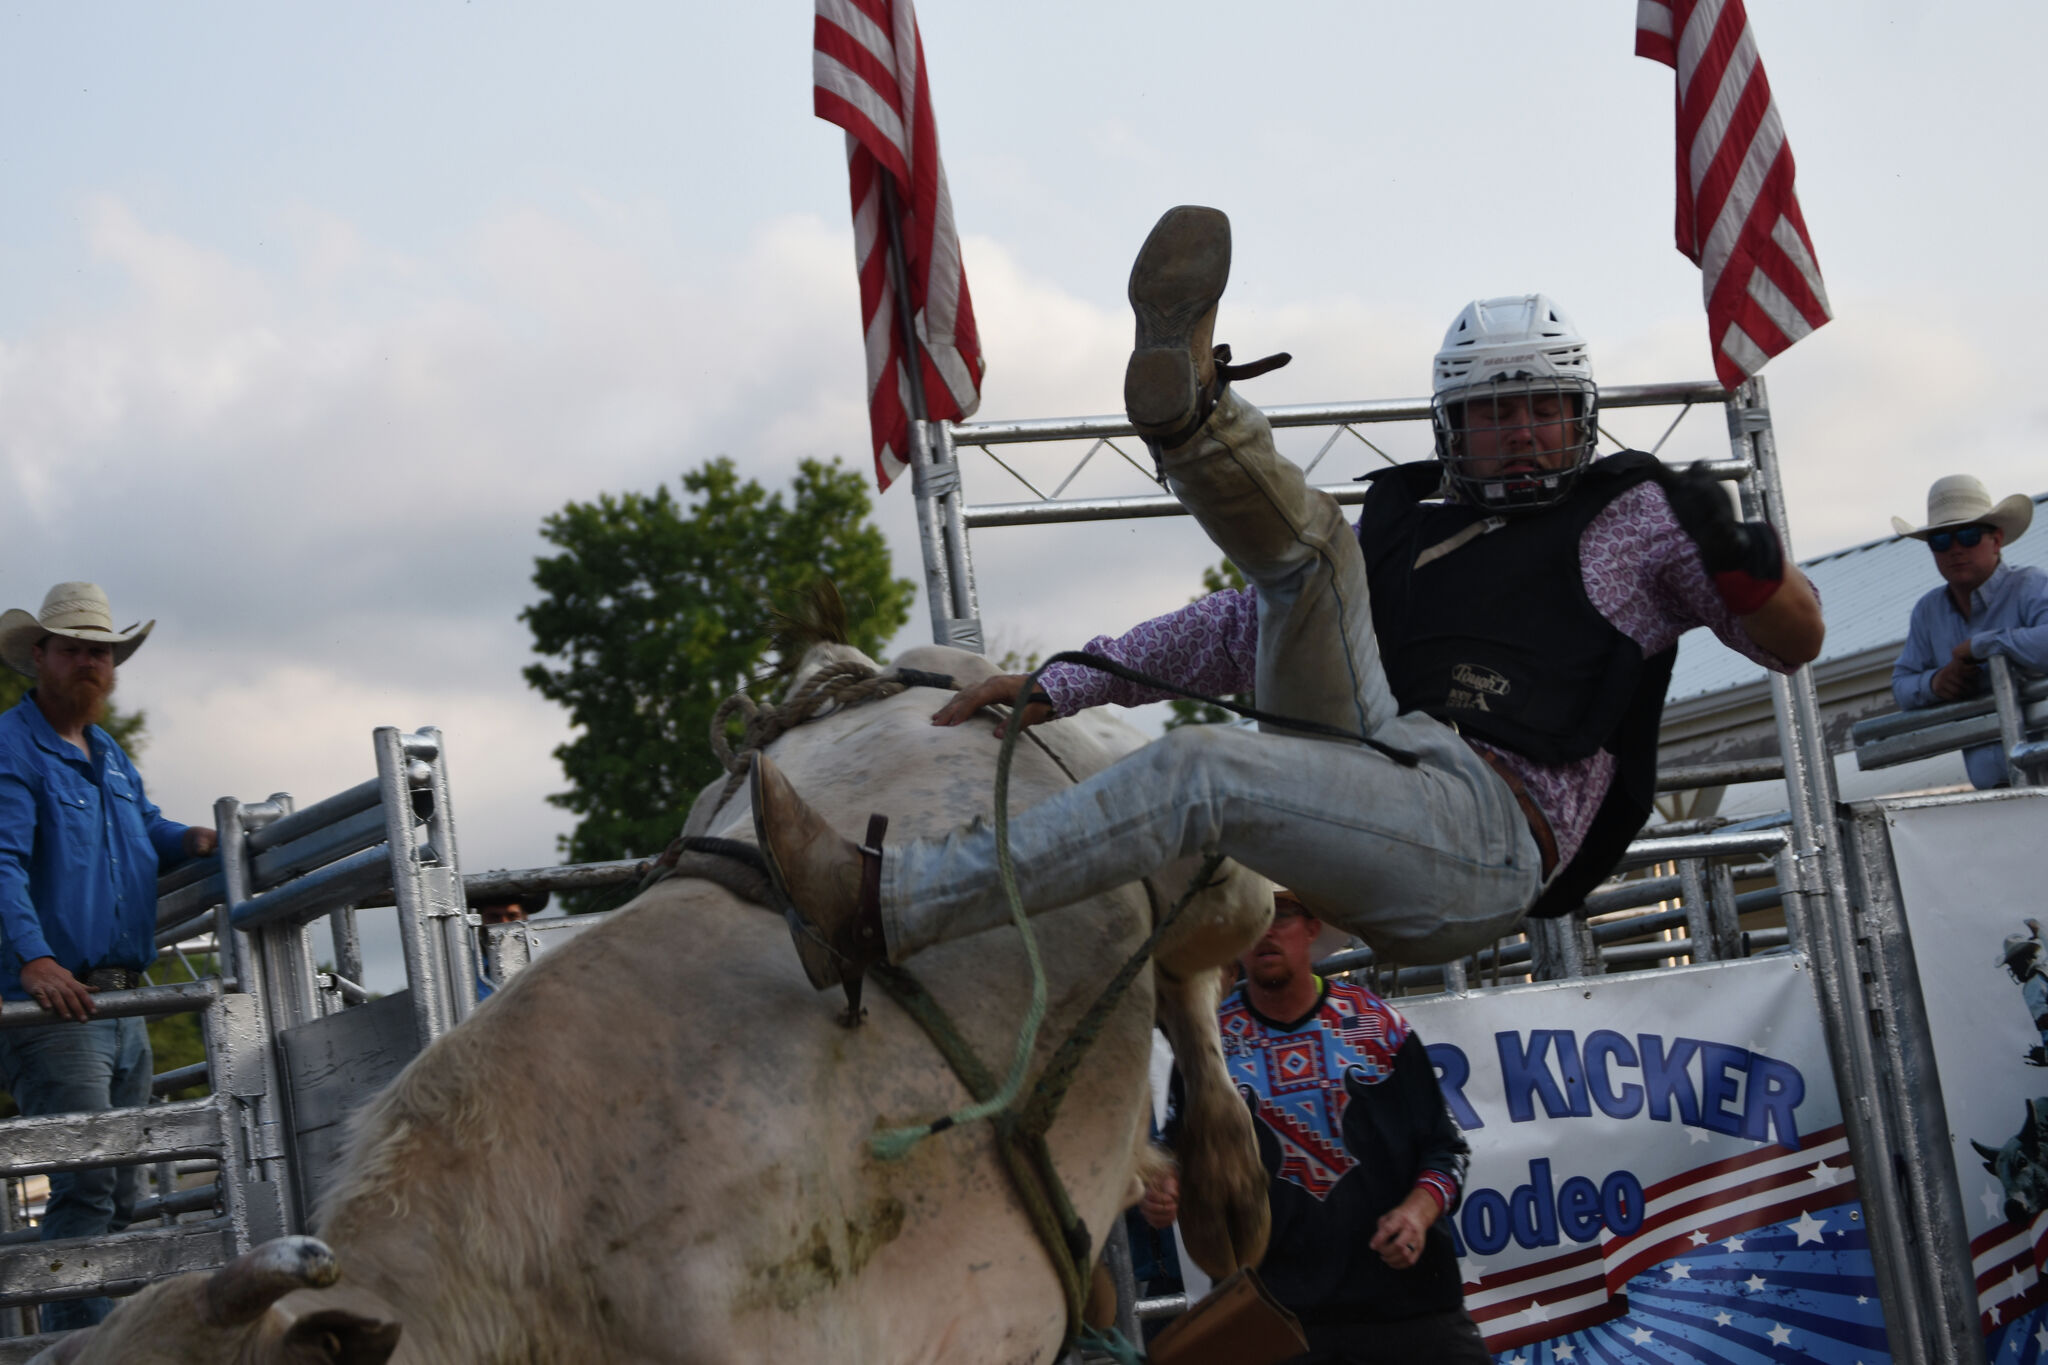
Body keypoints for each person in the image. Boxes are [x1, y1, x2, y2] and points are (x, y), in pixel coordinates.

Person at [752, 204, 1824, 993]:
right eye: (1493, 415)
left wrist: (1745, 561)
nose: (1521, 434)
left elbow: (1794, 641)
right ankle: (1196, 420)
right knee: (1310, 553)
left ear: (1578, 413)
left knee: (1196, 769)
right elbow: (1230, 628)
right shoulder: (1412, 519)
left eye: (1540, 409)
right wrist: (1062, 683)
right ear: (1451, 425)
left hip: (1485, 835)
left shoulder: (1636, 515)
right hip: (1373, 762)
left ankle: (884, 906)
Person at [0, 582, 216, 1331]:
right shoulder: (10, 746)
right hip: (56, 1003)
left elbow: (147, 829)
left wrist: (191, 840)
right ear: (40, 656)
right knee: (88, 1187)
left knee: (120, 1191)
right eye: (75, 649)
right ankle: (81, 1350)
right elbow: (0, 860)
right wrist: (32, 958)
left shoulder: (109, 752)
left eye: (103, 651)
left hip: (123, 1001)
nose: (91, 662)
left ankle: (89, 1341)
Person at [1143, 891, 1484, 1363]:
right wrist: (1162, 1187)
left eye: (1280, 915)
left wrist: (1417, 1213)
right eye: (1252, 918)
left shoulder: (1377, 1026)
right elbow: (1174, 1153)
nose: (1266, 931)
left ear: (1312, 928)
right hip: (1275, 1322)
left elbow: (1448, 1150)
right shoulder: (1207, 1045)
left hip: (1409, 1309)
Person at [1889, 474, 2048, 789]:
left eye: (1969, 535)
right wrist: (1937, 683)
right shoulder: (1928, 611)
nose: (1955, 549)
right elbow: (1901, 685)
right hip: (1995, 795)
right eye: (1941, 540)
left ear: (1996, 540)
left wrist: (1981, 646)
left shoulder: (2032, 585)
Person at [471, 888, 547, 999]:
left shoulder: (543, 964)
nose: (503, 923)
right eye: (494, 916)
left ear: (525, 919)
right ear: (479, 921)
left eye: (512, 916)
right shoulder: (463, 969)